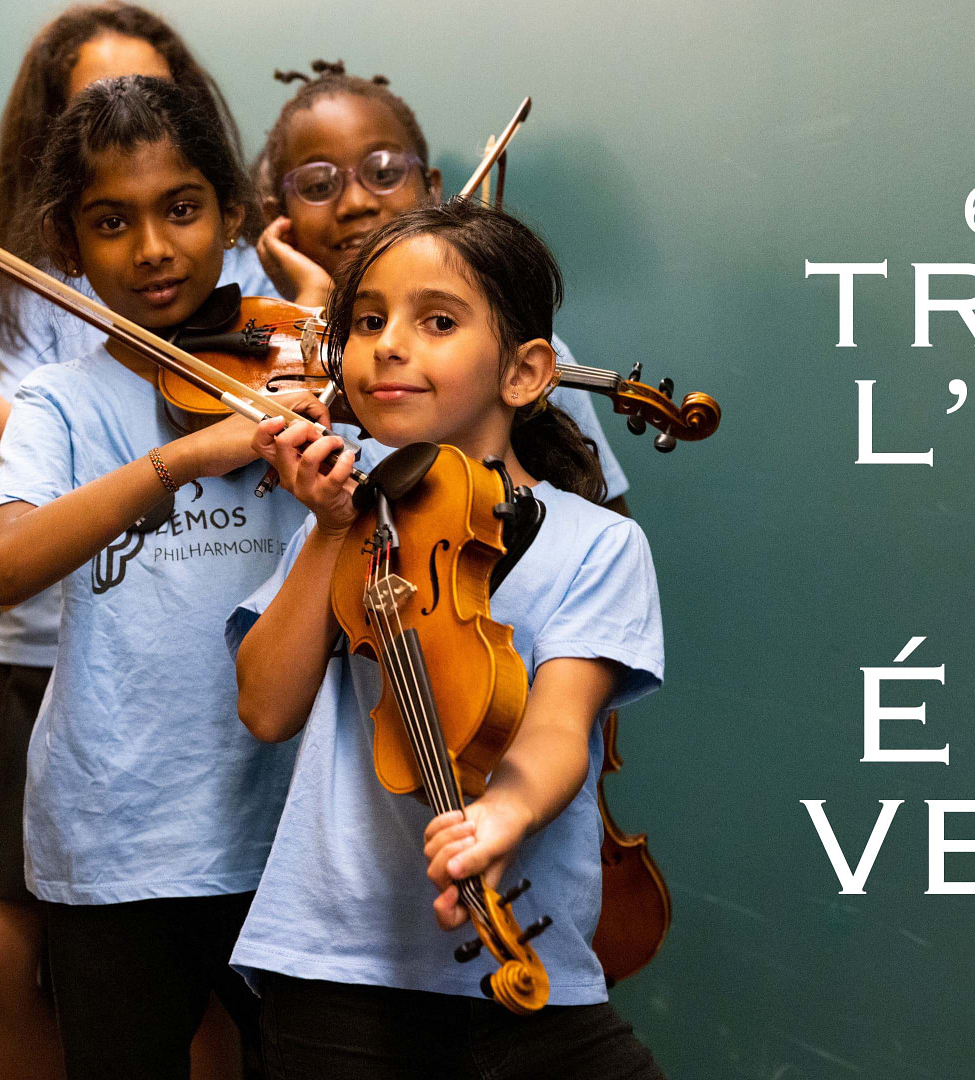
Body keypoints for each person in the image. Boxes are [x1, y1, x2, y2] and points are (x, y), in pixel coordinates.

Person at [0, 7, 269, 1076]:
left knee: (226, 1003)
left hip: (225, 677)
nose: (153, 245)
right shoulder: (28, 298)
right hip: (58, 653)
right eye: (93, 108)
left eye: (154, 97)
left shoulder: (261, 304)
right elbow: (0, 489)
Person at [233, 203, 665, 1078]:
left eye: (436, 321)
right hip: (334, 965)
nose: (389, 344)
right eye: (367, 321)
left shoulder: (599, 543)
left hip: (529, 964)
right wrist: (326, 530)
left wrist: (503, 811)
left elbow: (557, 726)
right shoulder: (341, 519)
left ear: (525, 372)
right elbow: (266, 707)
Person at [0, 74, 318, 1079]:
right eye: (111, 223)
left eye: (181, 209)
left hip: (295, 822)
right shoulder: (61, 405)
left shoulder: (301, 369)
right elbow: (4, 562)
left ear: (233, 213)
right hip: (121, 830)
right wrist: (185, 458)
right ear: (69, 247)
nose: (155, 249)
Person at [252, 59, 631, 513]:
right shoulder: (265, 361)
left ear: (432, 190)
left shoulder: (513, 350)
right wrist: (315, 303)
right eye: (318, 184)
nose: (354, 202)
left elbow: (598, 519)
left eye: (385, 171)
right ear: (279, 216)